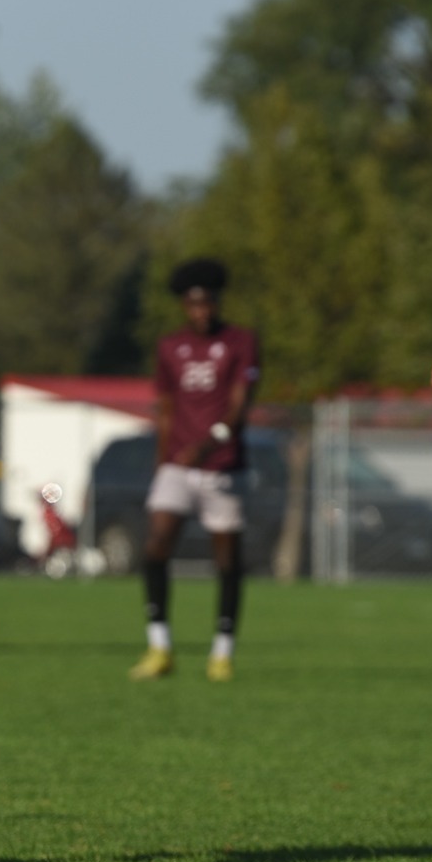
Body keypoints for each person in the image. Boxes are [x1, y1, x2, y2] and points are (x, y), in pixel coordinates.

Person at [131, 258, 260, 683]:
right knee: (155, 546)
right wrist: (162, 462)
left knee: (226, 562)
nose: (201, 311)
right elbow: (167, 409)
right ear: (184, 306)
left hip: (223, 467)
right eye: (193, 304)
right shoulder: (170, 347)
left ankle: (222, 651)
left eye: (208, 303)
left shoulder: (241, 342)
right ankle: (159, 646)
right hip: (177, 466)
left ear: (217, 303)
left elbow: (239, 409)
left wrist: (206, 446)